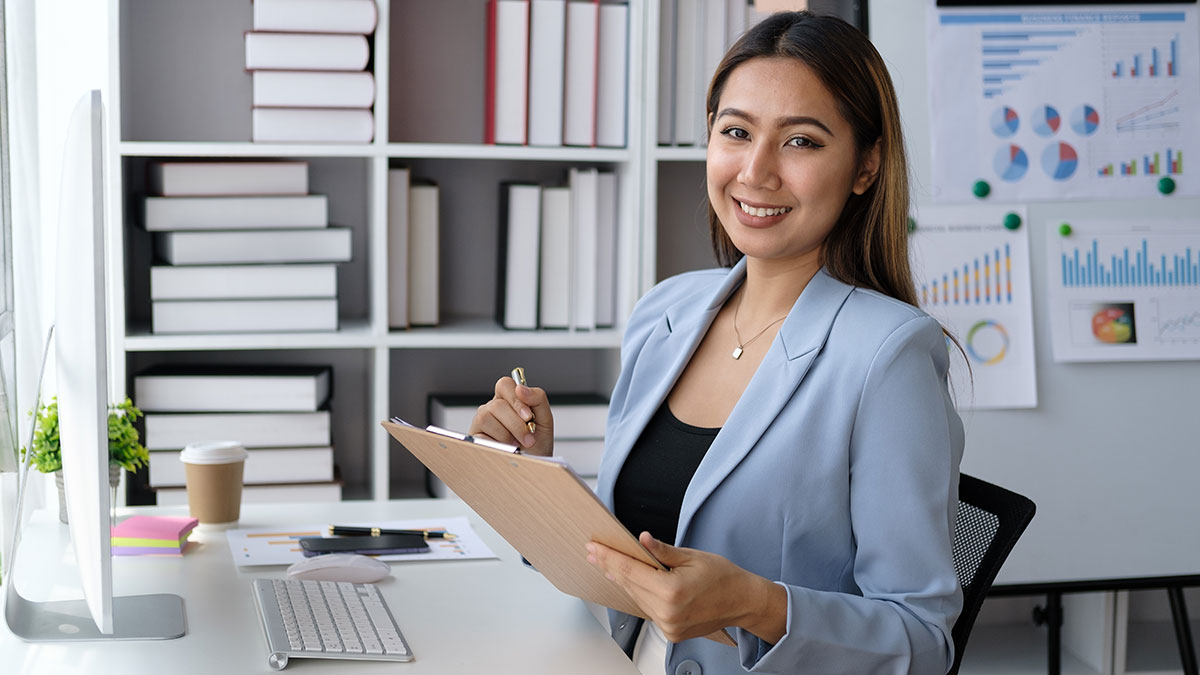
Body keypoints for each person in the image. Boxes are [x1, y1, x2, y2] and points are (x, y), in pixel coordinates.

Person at [469, 11, 965, 675]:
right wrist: (531, 471)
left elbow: (923, 641)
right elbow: (625, 565)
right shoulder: (665, 312)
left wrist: (759, 604)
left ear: (865, 166)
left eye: (802, 142)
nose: (755, 171)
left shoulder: (890, 354)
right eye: (736, 132)